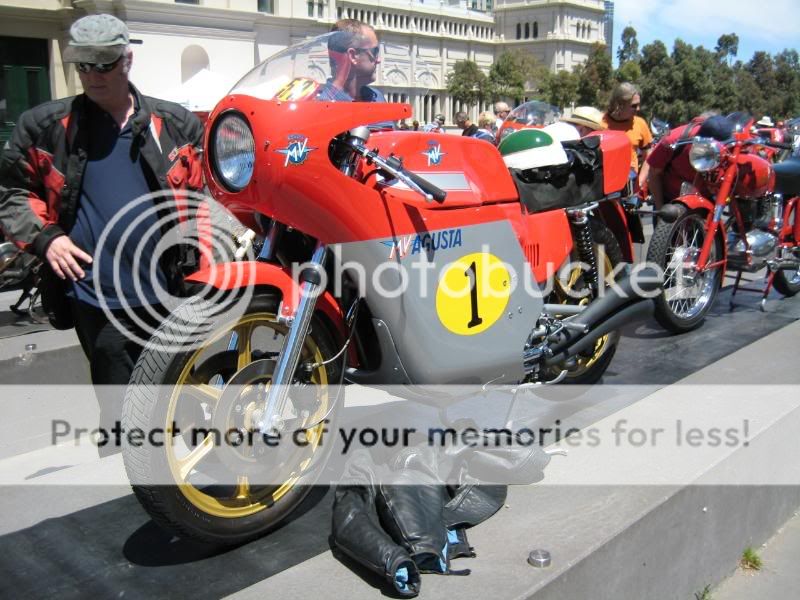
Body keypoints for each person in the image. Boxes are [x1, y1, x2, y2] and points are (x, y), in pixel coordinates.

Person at [0, 14, 207, 454]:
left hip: (168, 292)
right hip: (97, 297)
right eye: (83, 65)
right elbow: (11, 192)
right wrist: (47, 237)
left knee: (178, 393)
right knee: (119, 405)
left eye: (104, 63)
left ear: (127, 60)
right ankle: (127, 477)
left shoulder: (175, 124)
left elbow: (204, 197)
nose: (93, 75)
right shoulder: (46, 127)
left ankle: (183, 488)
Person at [646, 114, 734, 210]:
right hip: (671, 198)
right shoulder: (672, 141)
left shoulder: (731, 145)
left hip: (707, 198)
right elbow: (653, 173)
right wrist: (660, 208)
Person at [317, 19, 384, 102]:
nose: (379, 60)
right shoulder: (321, 107)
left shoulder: (377, 97)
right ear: (353, 56)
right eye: (375, 52)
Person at [603, 82, 653, 189]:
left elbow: (649, 156)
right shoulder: (600, 124)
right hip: (604, 187)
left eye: (639, 104)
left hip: (630, 186)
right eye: (634, 106)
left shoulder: (640, 123)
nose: (638, 109)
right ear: (619, 105)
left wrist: (639, 182)